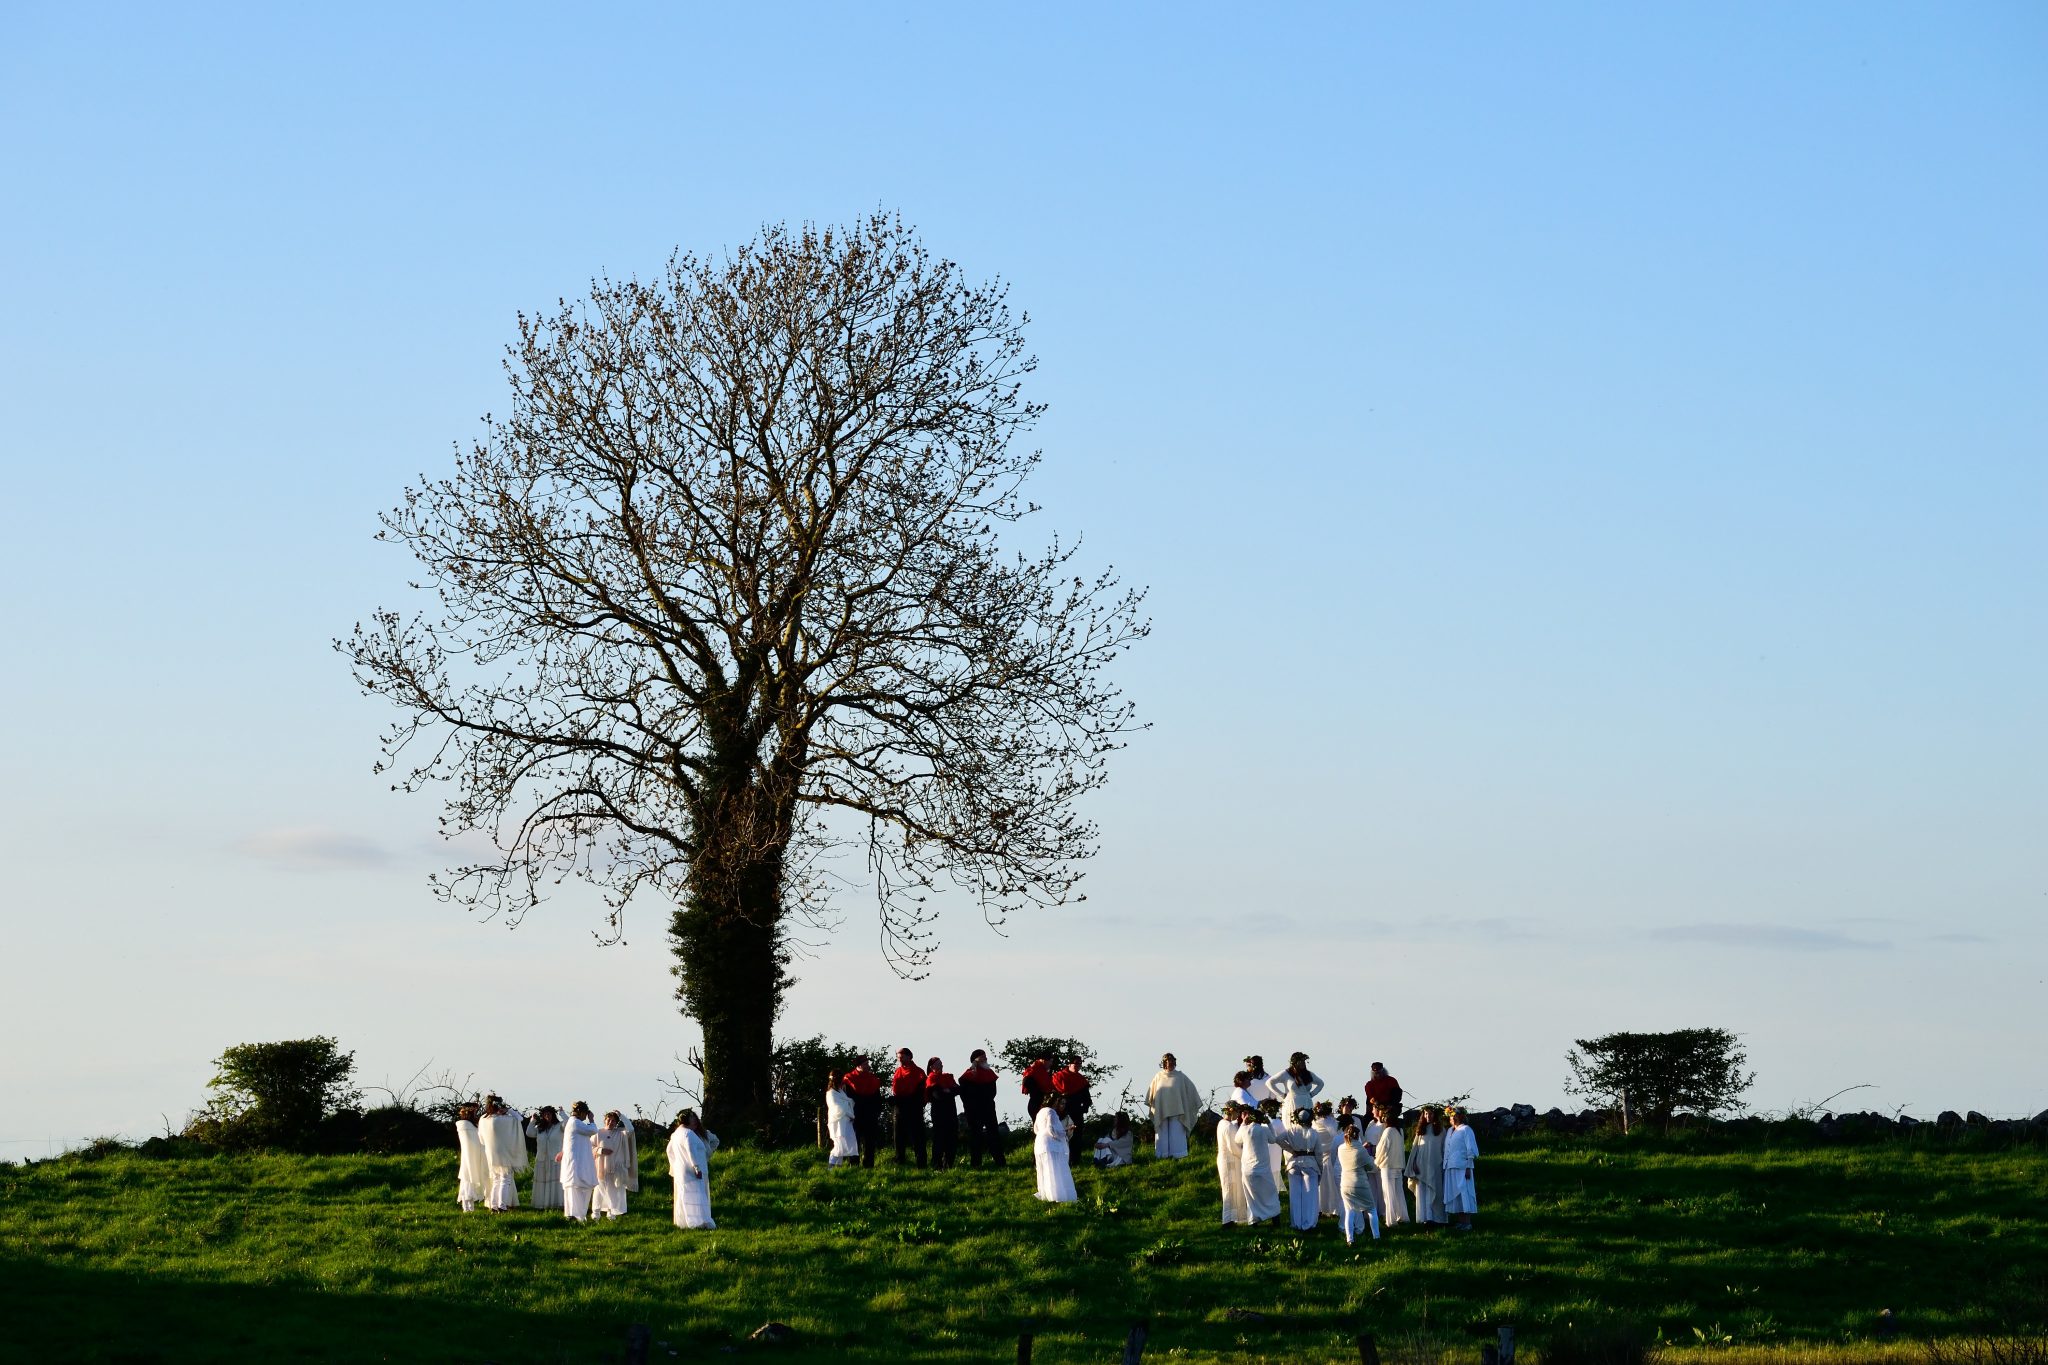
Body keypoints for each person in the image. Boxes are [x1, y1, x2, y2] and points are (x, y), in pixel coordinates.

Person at [665, 1109, 716, 1230]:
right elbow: (690, 1150)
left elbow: (669, 1151)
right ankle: (699, 1222)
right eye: (693, 1117)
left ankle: (685, 1222)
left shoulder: (676, 1134)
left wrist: (675, 1165)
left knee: (685, 1195)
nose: (695, 1120)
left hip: (682, 1170)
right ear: (687, 1119)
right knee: (697, 1195)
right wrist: (696, 1167)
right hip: (693, 1170)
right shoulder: (688, 1133)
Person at [1145, 1053, 1202, 1159]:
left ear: (1174, 1062)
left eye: (1171, 1061)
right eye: (1167, 1061)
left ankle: (1178, 1155)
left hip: (1177, 1112)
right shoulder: (1158, 1077)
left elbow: (1191, 1090)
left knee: (1177, 1134)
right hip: (1161, 1111)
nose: (1169, 1063)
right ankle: (1162, 1155)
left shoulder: (1180, 1076)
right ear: (1163, 1063)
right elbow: (1152, 1093)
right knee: (1162, 1134)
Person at [477, 1097, 528, 1212]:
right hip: (504, 1153)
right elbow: (520, 1118)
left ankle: (494, 1206)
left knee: (495, 1179)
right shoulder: (505, 1119)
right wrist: (508, 1110)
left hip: (490, 1153)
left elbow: (481, 1139)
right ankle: (502, 1206)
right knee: (505, 1179)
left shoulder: (483, 1119)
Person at [958, 1050, 1005, 1167]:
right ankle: (976, 1163)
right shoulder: (967, 1076)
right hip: (974, 1110)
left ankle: (1000, 1162)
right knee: (975, 1136)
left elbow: (993, 1092)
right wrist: (972, 1106)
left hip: (988, 1108)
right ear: (976, 1060)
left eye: (985, 1057)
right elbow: (964, 1095)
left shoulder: (989, 1073)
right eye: (982, 1057)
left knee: (993, 1134)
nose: (985, 1059)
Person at [1337, 1123, 1381, 1244]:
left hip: (1345, 1183)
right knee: (1371, 1210)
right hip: (1360, 1184)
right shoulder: (1361, 1150)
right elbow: (1371, 1167)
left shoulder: (1341, 1148)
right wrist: (1372, 1157)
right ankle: (1376, 1237)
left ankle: (1349, 1239)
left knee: (1349, 1211)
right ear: (1357, 1136)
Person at [1238, 1099, 1281, 1223]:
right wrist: (1269, 1124)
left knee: (1252, 1196)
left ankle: (1254, 1220)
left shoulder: (1245, 1130)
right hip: (1263, 1169)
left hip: (1248, 1169)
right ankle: (1275, 1219)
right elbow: (1273, 1139)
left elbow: (1237, 1140)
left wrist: (1243, 1124)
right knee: (1271, 1194)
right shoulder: (1264, 1130)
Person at [1278, 1108, 1321, 1230]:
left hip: (1294, 1164)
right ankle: (1308, 1224)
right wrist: (1320, 1170)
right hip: (1310, 1164)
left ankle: (1296, 1223)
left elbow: (1278, 1139)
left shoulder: (1291, 1130)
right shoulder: (1313, 1133)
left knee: (1295, 1196)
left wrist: (1292, 1150)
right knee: (1310, 1196)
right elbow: (1319, 1154)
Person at [559, 1102, 602, 1221]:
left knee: (575, 1188)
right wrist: (592, 1119)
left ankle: (574, 1215)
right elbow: (593, 1130)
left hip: (575, 1161)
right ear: (582, 1112)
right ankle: (576, 1215)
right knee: (576, 1188)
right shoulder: (575, 1123)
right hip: (576, 1162)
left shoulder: (572, 1122)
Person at [1032, 1093, 1078, 1202]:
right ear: (1054, 1102)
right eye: (1058, 1102)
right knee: (1055, 1169)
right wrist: (1066, 1130)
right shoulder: (1051, 1112)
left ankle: (1046, 1195)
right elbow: (1052, 1130)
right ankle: (1057, 1195)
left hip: (1039, 1143)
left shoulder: (1040, 1112)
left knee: (1045, 1170)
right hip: (1050, 1144)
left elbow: (1036, 1129)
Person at [592, 1110, 638, 1217]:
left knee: (615, 1191)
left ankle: (611, 1213)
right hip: (601, 1167)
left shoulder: (621, 1133)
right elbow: (590, 1146)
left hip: (618, 1168)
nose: (610, 1122)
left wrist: (621, 1116)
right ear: (605, 1120)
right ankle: (596, 1213)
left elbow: (631, 1129)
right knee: (599, 1190)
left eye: (613, 1121)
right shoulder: (598, 1133)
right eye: (609, 1120)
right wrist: (600, 1150)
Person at [1442, 1106, 1480, 1231]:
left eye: (1455, 1115)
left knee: (1465, 1192)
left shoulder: (1466, 1130)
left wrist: (1468, 1167)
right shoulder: (1449, 1131)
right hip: (1451, 1166)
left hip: (1462, 1167)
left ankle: (1467, 1222)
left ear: (1461, 1116)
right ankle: (1460, 1221)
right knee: (1456, 1194)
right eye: (1451, 1116)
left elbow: (1471, 1149)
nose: (1453, 1118)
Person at [890, 1049, 929, 1168]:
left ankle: (921, 1164)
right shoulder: (897, 1072)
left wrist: (914, 1102)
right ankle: (899, 1161)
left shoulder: (919, 1072)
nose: (900, 1060)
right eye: (898, 1058)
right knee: (898, 1137)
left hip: (914, 1108)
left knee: (918, 1137)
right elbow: (895, 1090)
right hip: (900, 1108)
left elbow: (922, 1092)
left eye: (902, 1057)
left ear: (909, 1057)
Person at [1408, 1107, 1446, 1226]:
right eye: (1426, 1114)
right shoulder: (1421, 1130)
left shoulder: (1441, 1130)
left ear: (1434, 1115)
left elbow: (1444, 1148)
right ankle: (1423, 1217)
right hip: (1420, 1165)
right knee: (1422, 1192)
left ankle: (1434, 1218)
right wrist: (1413, 1163)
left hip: (1435, 1165)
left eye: (1430, 1113)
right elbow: (1415, 1148)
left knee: (1434, 1191)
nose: (1428, 1116)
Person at [843, 1059, 884, 1168]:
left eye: (867, 1064)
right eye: (865, 1064)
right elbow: (847, 1098)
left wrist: (877, 1111)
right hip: (854, 1114)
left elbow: (877, 1097)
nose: (867, 1066)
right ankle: (853, 1163)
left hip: (870, 1114)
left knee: (869, 1140)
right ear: (858, 1066)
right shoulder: (849, 1079)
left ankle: (869, 1164)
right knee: (853, 1139)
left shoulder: (873, 1079)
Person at [1374, 1104, 1409, 1227]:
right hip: (1398, 1165)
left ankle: (1391, 1220)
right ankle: (1402, 1216)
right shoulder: (1400, 1131)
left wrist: (1376, 1162)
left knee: (1388, 1194)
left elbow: (1382, 1149)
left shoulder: (1387, 1131)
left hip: (1388, 1166)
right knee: (1399, 1193)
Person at [1215, 1102, 1250, 1226]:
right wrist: (1246, 1156)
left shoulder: (1221, 1123)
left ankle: (1233, 1217)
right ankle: (1227, 1219)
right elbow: (1233, 1147)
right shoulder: (1229, 1126)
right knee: (1230, 1188)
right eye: (1237, 1112)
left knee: (1232, 1188)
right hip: (1229, 1159)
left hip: (1225, 1158)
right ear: (1232, 1111)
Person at [526, 1106, 564, 1210]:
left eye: (549, 1114)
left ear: (553, 1115)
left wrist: (562, 1113)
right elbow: (529, 1133)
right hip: (542, 1159)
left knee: (556, 1182)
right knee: (542, 1182)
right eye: (545, 1114)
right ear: (543, 1116)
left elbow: (569, 1124)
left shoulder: (560, 1126)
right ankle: (542, 1204)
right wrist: (532, 1121)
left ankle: (557, 1204)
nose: (547, 1116)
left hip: (555, 1159)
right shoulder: (540, 1128)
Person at [925, 1057, 960, 1170]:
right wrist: (949, 1090)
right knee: (939, 1138)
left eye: (941, 1064)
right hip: (939, 1112)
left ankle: (949, 1164)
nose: (941, 1066)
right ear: (932, 1067)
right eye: (938, 1064)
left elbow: (958, 1090)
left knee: (952, 1138)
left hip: (950, 1111)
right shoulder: (931, 1078)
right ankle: (936, 1164)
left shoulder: (948, 1077)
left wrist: (947, 1090)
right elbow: (938, 1095)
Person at [1312, 1100, 1344, 1218]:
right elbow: (1335, 1136)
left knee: (1322, 1184)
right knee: (1329, 1184)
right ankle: (1331, 1207)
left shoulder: (1314, 1122)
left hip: (1320, 1154)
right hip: (1329, 1154)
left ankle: (1322, 1208)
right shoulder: (1331, 1122)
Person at [453, 1103, 486, 1212]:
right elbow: (473, 1141)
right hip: (470, 1155)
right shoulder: (465, 1125)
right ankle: (467, 1206)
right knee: (468, 1179)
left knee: (468, 1179)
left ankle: (468, 1206)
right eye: (474, 1111)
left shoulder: (471, 1125)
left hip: (472, 1155)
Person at [825, 1076, 860, 1167]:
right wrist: (851, 1114)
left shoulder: (841, 1092)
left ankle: (838, 1166)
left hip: (846, 1122)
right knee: (839, 1144)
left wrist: (848, 1107)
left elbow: (848, 1102)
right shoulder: (831, 1093)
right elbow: (838, 1107)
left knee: (845, 1144)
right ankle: (831, 1166)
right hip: (837, 1122)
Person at [1050, 1058, 1092, 1133]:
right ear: (1069, 1064)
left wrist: (1083, 1108)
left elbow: (1087, 1098)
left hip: (1076, 1111)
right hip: (1061, 1110)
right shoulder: (1058, 1076)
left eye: (1080, 1063)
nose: (1078, 1065)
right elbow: (1052, 1094)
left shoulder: (1081, 1080)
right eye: (1076, 1063)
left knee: (1076, 1134)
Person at [1020, 1053, 1055, 1117]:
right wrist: (1037, 1091)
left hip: (1036, 1103)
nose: (1051, 1064)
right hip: (1035, 1104)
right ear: (1045, 1061)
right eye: (1050, 1061)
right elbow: (1026, 1081)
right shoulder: (1036, 1070)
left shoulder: (1039, 1069)